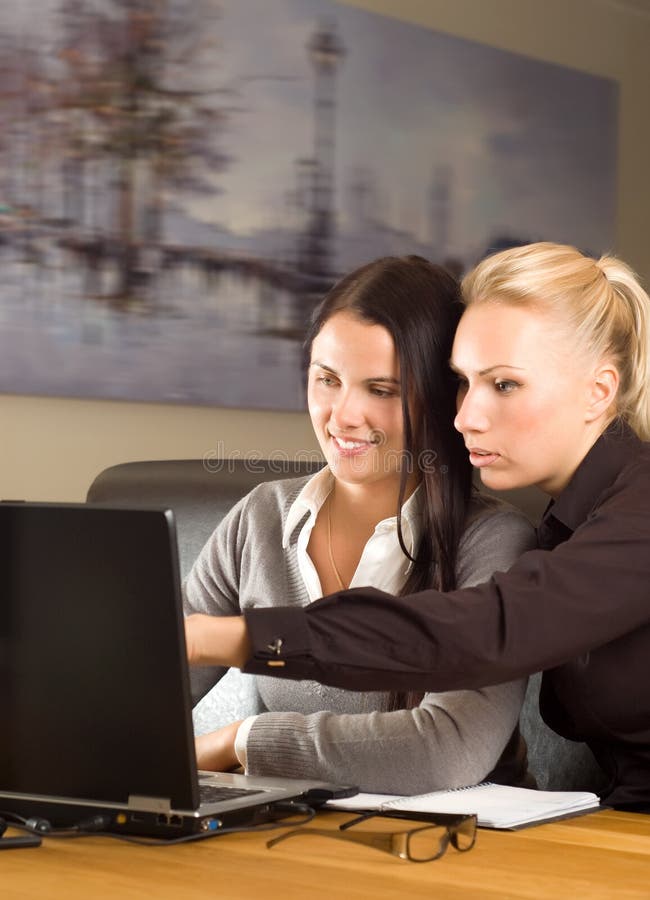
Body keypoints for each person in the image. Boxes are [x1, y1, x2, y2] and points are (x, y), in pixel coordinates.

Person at [185, 241, 650, 813]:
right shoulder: (573, 525)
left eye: (504, 384)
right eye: (462, 382)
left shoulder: (622, 516)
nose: (465, 417)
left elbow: (484, 631)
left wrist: (236, 653)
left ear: (599, 391)